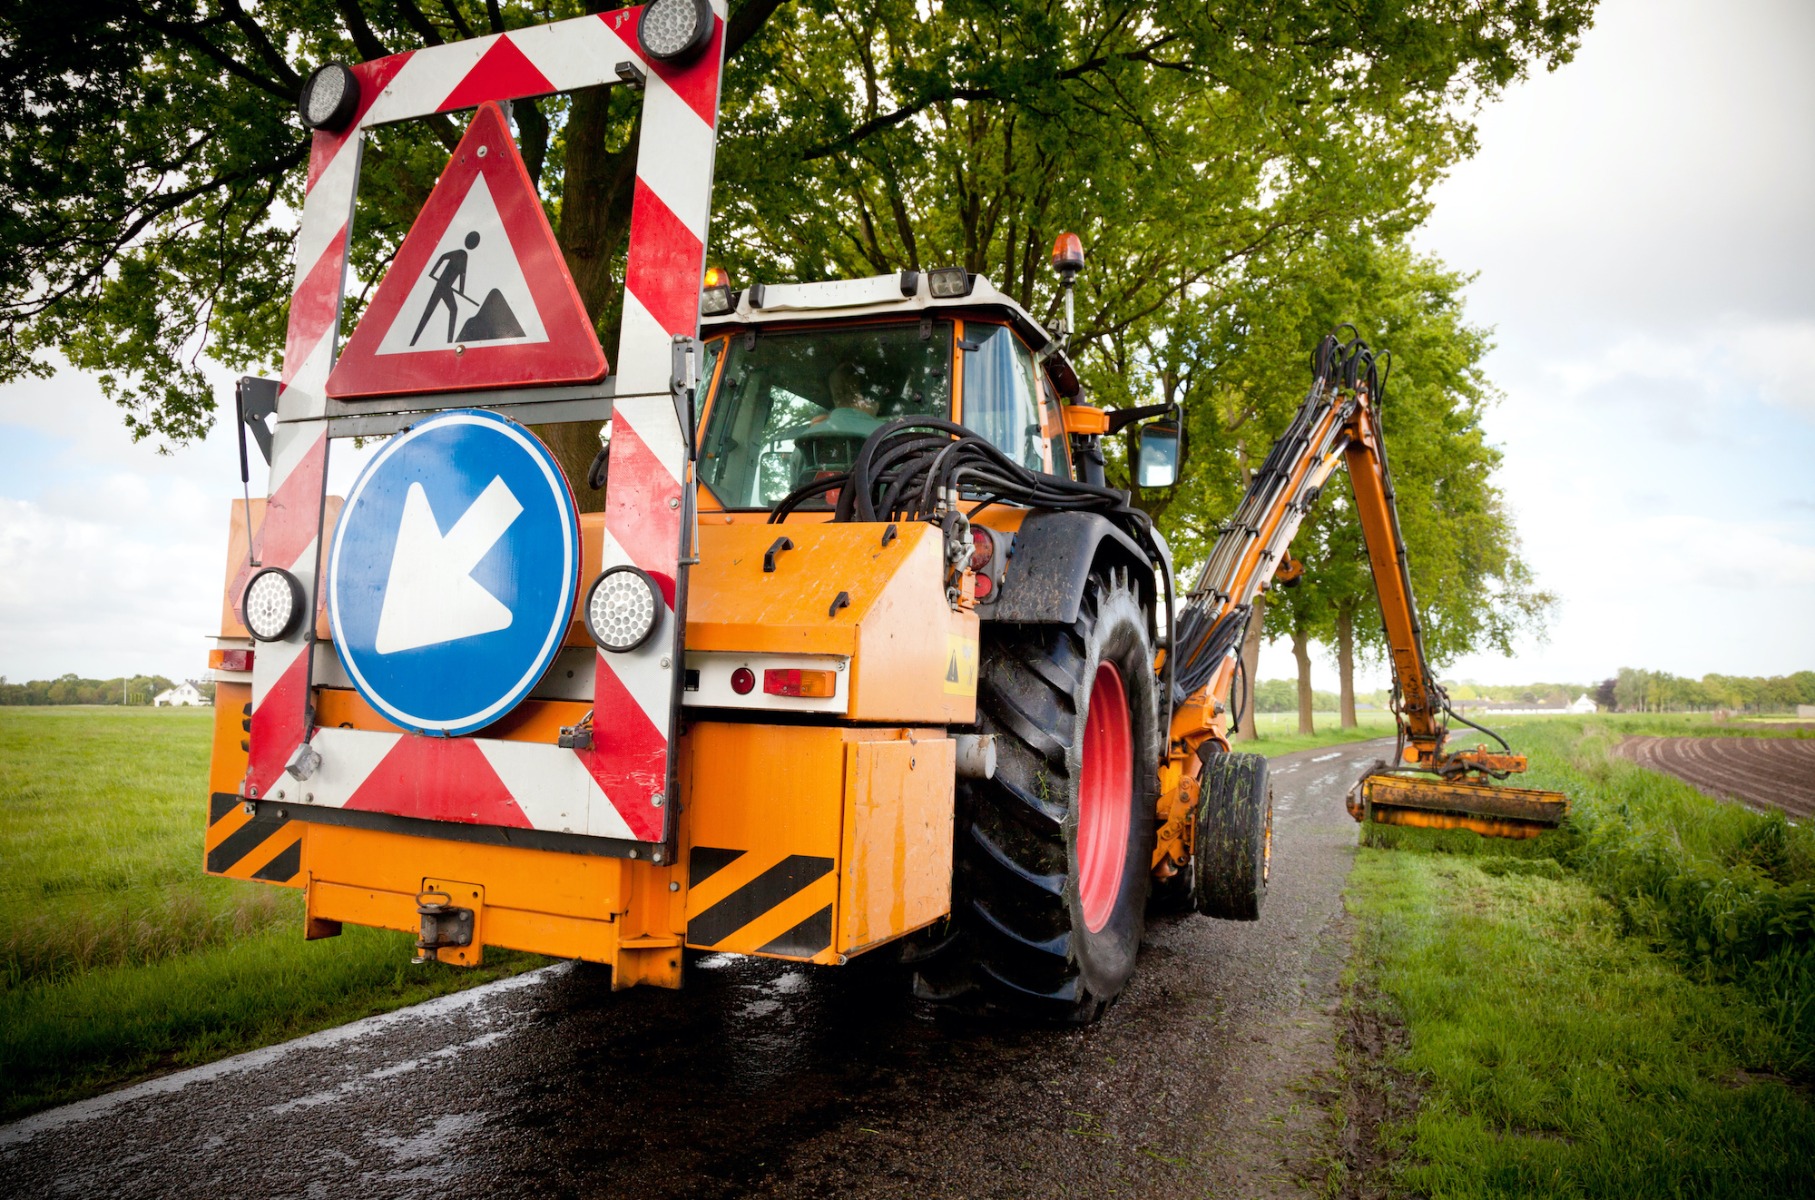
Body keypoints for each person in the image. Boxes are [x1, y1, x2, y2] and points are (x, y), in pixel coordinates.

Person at [411, 231, 480, 347]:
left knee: (449, 310)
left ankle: (447, 342)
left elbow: (462, 274)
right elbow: (444, 257)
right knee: (430, 312)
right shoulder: (461, 253)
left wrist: (461, 291)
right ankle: (415, 342)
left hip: (445, 287)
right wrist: (432, 272)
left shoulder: (463, 255)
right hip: (441, 286)